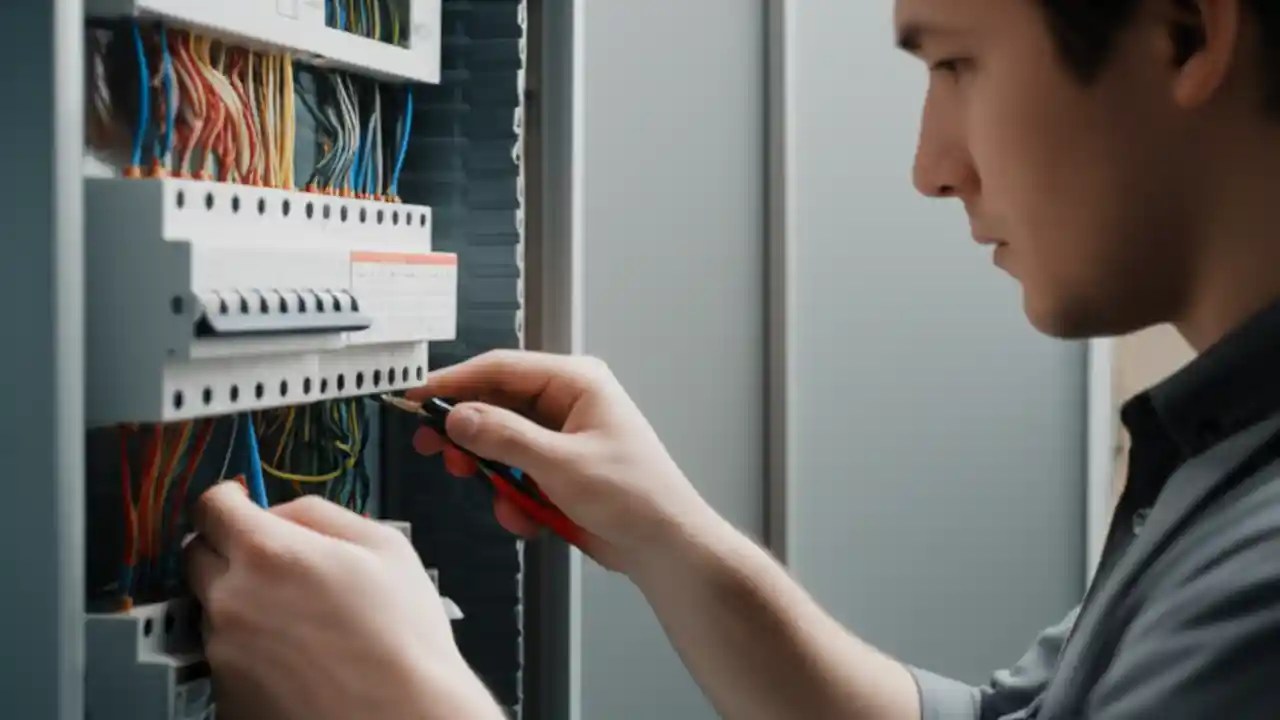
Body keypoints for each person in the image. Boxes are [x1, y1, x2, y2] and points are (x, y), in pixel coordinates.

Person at [185, 0, 1280, 717]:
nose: (929, 166)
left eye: (957, 63)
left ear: (1186, 32)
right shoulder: (1221, 464)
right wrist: (671, 542)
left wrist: (408, 702)